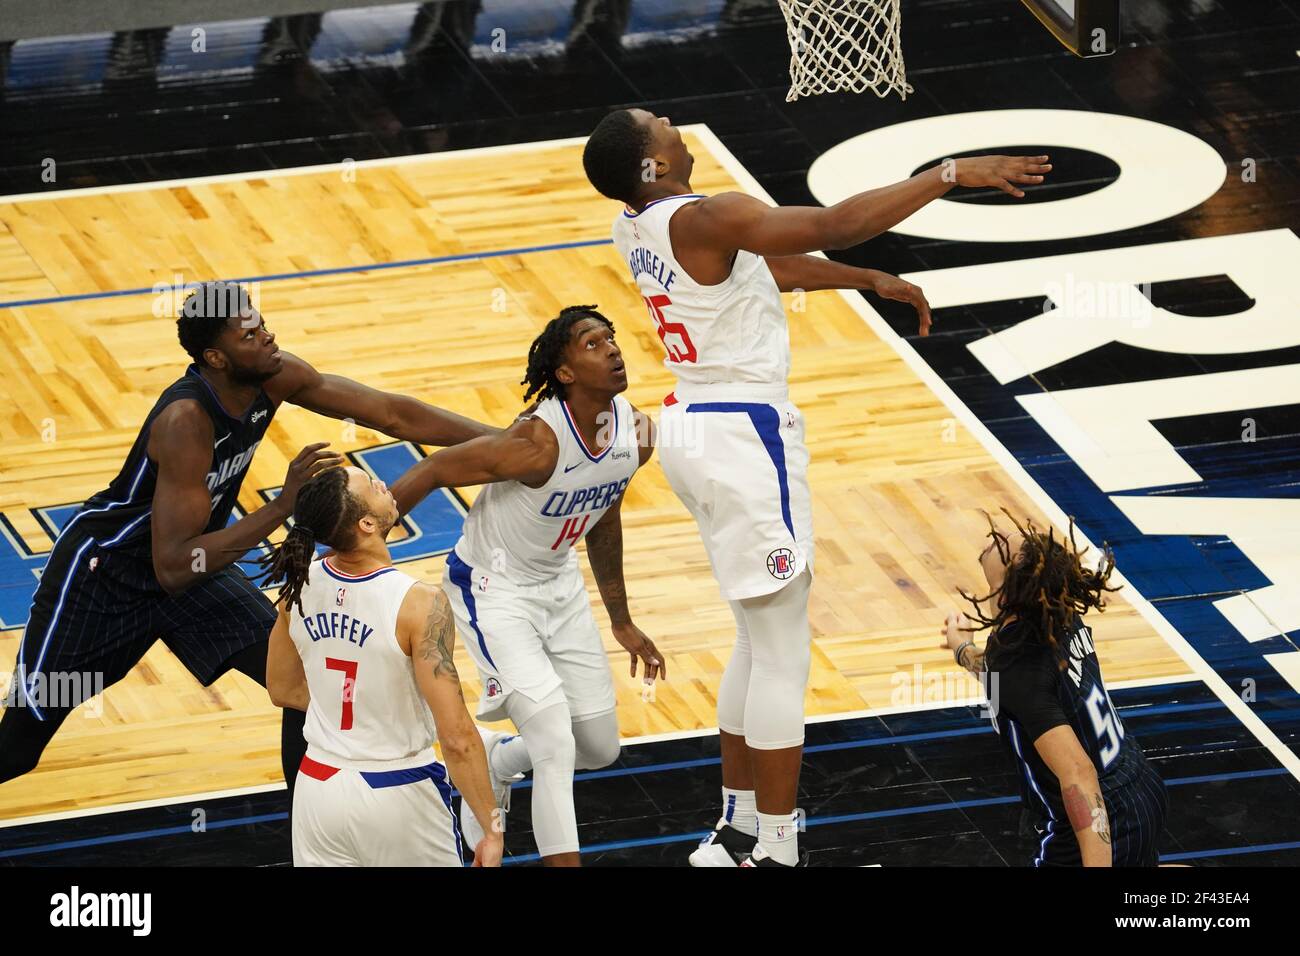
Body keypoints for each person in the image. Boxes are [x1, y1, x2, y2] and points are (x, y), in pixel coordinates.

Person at [582, 107, 1051, 866]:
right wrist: (949, 175)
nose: (670, 120)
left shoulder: (635, 224)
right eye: (655, 123)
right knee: (783, 653)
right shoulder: (710, 214)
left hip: (693, 429)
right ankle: (775, 844)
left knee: (754, 639)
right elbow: (833, 221)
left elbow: (766, 266)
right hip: (743, 436)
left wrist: (859, 280)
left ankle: (735, 829)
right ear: (654, 166)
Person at [0, 280, 496, 799]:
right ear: (215, 356)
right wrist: (283, 505)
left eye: (262, 324)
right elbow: (172, 564)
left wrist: (500, 438)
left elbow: (393, 413)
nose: (267, 336)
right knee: (18, 748)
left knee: (305, 682)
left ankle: (308, 828)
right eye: (249, 334)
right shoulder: (185, 421)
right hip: (107, 578)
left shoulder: (276, 375)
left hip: (196, 567)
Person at [390, 305, 661, 866]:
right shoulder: (535, 444)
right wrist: (364, 537)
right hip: (493, 589)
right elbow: (437, 468)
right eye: (592, 345)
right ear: (563, 373)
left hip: (559, 585)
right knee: (557, 747)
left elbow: (604, 513)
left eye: (610, 339)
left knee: (598, 748)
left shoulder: (637, 433)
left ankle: (500, 760)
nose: (612, 349)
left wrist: (622, 619)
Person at [263, 464, 502, 867]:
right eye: (370, 485)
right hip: (398, 792)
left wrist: (354, 712)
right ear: (368, 523)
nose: (381, 481)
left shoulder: (298, 583)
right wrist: (491, 828)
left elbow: (281, 689)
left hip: (318, 788)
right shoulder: (419, 603)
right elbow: (457, 736)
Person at [941, 513, 1169, 867]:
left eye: (1008, 544)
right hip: (1138, 781)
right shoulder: (1056, 615)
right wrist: (964, 652)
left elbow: (1079, 775)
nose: (1000, 534)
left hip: (1100, 818)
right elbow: (1015, 682)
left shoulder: (1016, 661)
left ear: (1005, 596)